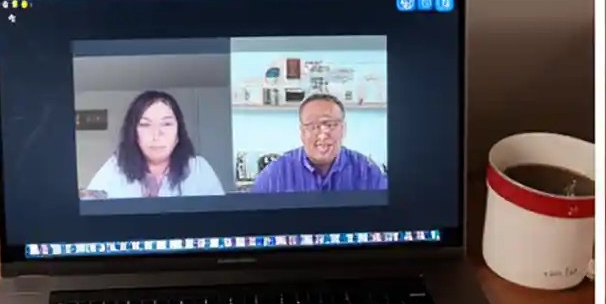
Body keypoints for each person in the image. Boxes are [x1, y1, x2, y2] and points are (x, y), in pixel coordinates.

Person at [82, 90, 224, 199]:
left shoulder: (198, 168)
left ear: (178, 133)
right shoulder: (115, 168)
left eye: (167, 124)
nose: (156, 135)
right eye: (145, 124)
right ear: (134, 134)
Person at [251, 94, 387, 192]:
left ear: (343, 129)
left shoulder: (367, 172)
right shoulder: (274, 175)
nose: (323, 134)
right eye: (313, 126)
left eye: (330, 125)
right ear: (302, 132)